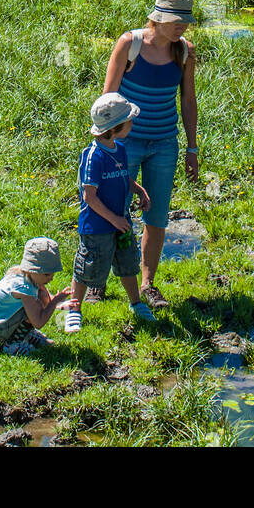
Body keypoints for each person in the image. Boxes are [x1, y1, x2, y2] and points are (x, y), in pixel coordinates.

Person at [102, 0, 198, 311]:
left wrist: (192, 148)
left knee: (156, 217)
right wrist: (106, 146)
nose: (182, 27)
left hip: (164, 145)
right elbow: (108, 98)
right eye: (176, 21)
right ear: (157, 19)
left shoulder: (184, 52)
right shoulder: (130, 45)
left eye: (185, 21)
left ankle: (148, 285)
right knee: (113, 211)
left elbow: (187, 100)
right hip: (125, 144)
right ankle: (97, 282)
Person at [63, 91, 157, 333]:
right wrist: (113, 219)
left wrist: (138, 190)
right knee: (87, 267)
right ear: (114, 127)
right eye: (128, 120)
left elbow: (123, 177)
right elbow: (89, 197)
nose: (132, 124)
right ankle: (74, 309)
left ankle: (136, 303)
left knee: (128, 263)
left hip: (120, 221)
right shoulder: (94, 156)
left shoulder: (120, 149)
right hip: (98, 226)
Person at [0, 237, 70, 355]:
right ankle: (12, 344)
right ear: (33, 270)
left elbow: (45, 297)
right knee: (35, 308)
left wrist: (60, 303)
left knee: (38, 301)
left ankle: (25, 334)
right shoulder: (24, 288)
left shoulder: (27, 277)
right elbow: (39, 322)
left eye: (53, 273)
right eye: (47, 274)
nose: (51, 278)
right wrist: (54, 303)